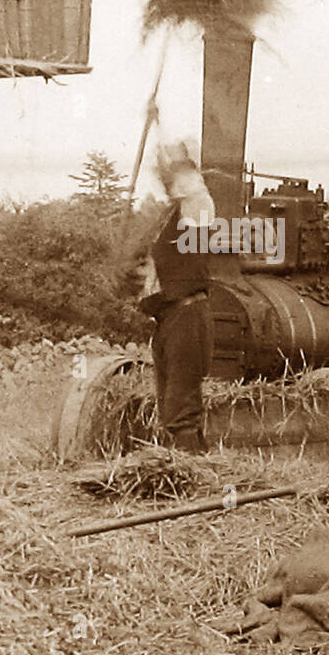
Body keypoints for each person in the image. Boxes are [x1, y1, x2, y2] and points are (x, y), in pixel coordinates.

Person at [121, 142, 217, 453]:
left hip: (187, 316)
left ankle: (191, 472)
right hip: (168, 318)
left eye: (184, 174)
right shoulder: (169, 219)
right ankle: (190, 465)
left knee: (181, 407)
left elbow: (190, 187)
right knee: (170, 406)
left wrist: (163, 133)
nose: (176, 180)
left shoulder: (198, 207)